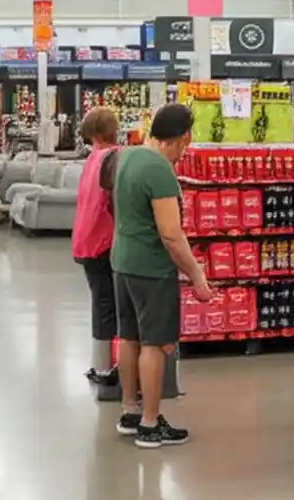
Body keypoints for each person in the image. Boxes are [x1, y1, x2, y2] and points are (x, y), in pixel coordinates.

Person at [109, 103, 211, 448]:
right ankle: (150, 425)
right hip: (151, 268)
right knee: (154, 344)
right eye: (186, 144)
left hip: (122, 261)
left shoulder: (129, 155)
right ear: (182, 137)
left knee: (129, 337)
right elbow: (171, 234)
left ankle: (130, 412)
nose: (185, 152)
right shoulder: (160, 170)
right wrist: (197, 276)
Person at [71, 108, 121, 386]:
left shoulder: (92, 158)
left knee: (100, 301)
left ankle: (99, 361)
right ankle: (106, 366)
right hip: (105, 240)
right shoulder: (113, 158)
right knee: (110, 304)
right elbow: (117, 201)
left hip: (85, 239)